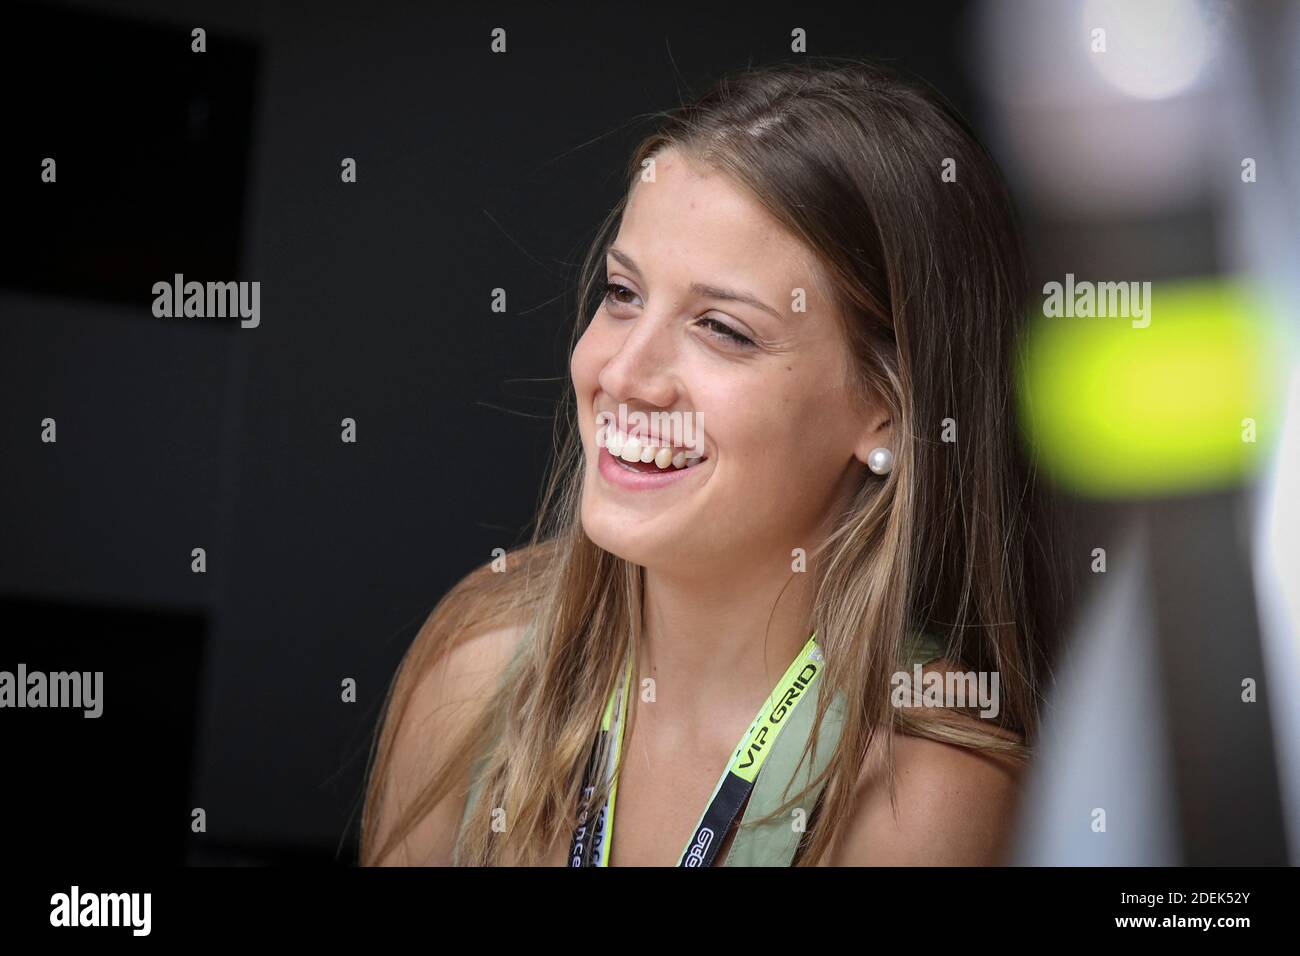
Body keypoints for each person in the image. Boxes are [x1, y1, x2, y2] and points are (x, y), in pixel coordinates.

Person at [360, 57, 1062, 867]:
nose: (623, 373)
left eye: (723, 329)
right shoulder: (477, 663)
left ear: (889, 417)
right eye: (623, 294)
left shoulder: (932, 795)